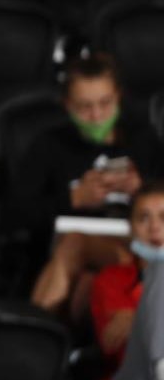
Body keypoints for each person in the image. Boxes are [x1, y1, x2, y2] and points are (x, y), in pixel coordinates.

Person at [27, 56, 164, 321]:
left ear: (118, 97)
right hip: (75, 257)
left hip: (140, 245)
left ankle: (32, 339)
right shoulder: (49, 145)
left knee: (74, 244)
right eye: (85, 107)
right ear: (67, 105)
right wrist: (72, 199)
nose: (97, 115)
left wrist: (140, 190)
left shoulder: (144, 141)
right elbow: (14, 214)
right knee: (86, 288)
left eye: (105, 103)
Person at [97, 183, 164, 380]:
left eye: (163, 217)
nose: (155, 227)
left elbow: (129, 323)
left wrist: (136, 317)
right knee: (161, 268)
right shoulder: (112, 278)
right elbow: (113, 339)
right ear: (131, 228)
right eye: (144, 218)